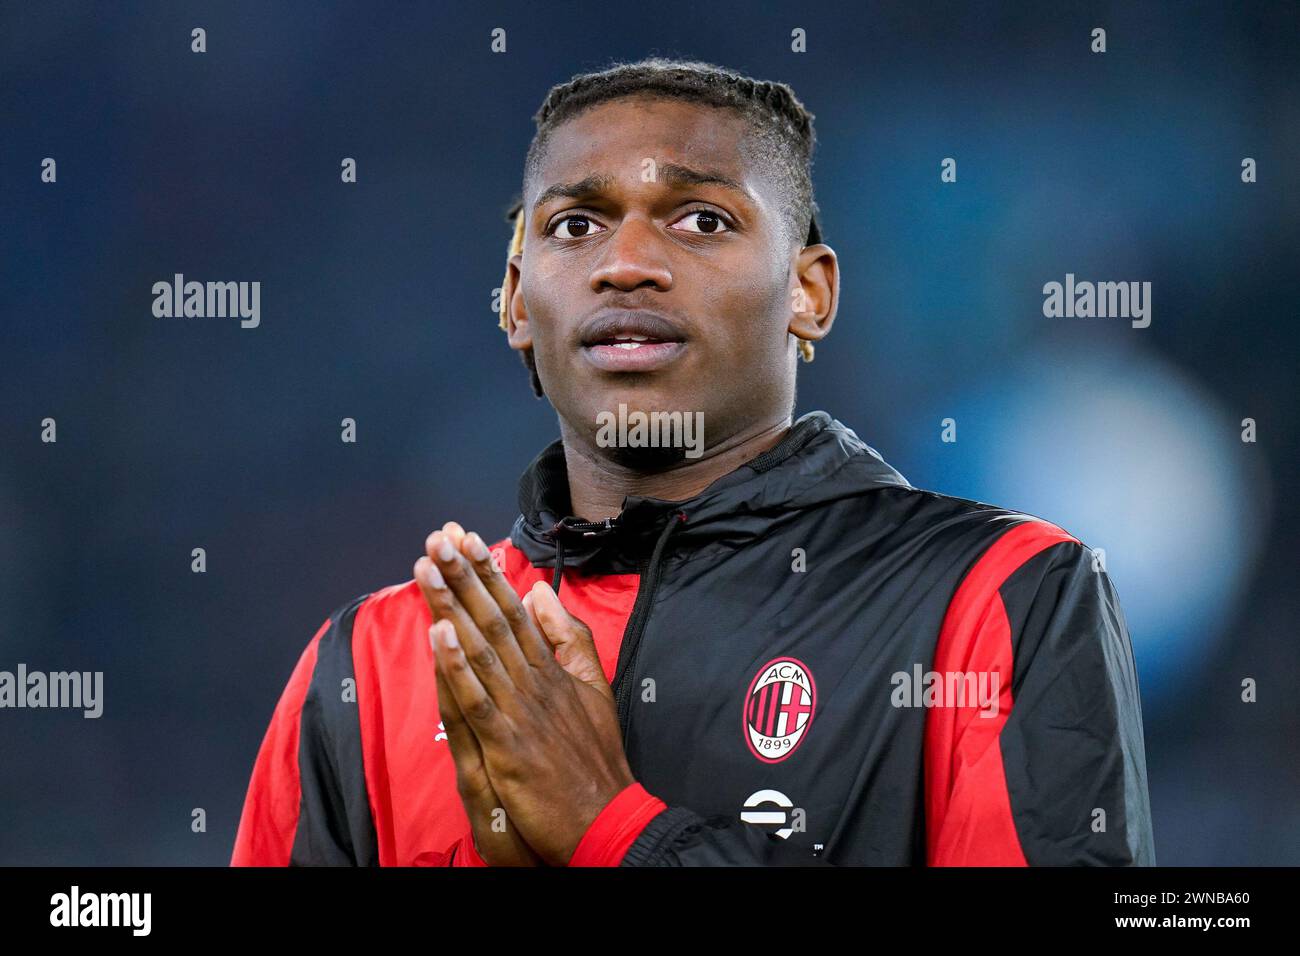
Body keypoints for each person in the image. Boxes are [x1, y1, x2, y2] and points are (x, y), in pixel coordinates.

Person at [231, 57, 1155, 867]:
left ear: (808, 291)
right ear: (516, 303)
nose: (626, 262)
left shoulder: (996, 596)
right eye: (574, 226)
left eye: (703, 220)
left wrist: (613, 832)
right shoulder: (370, 663)